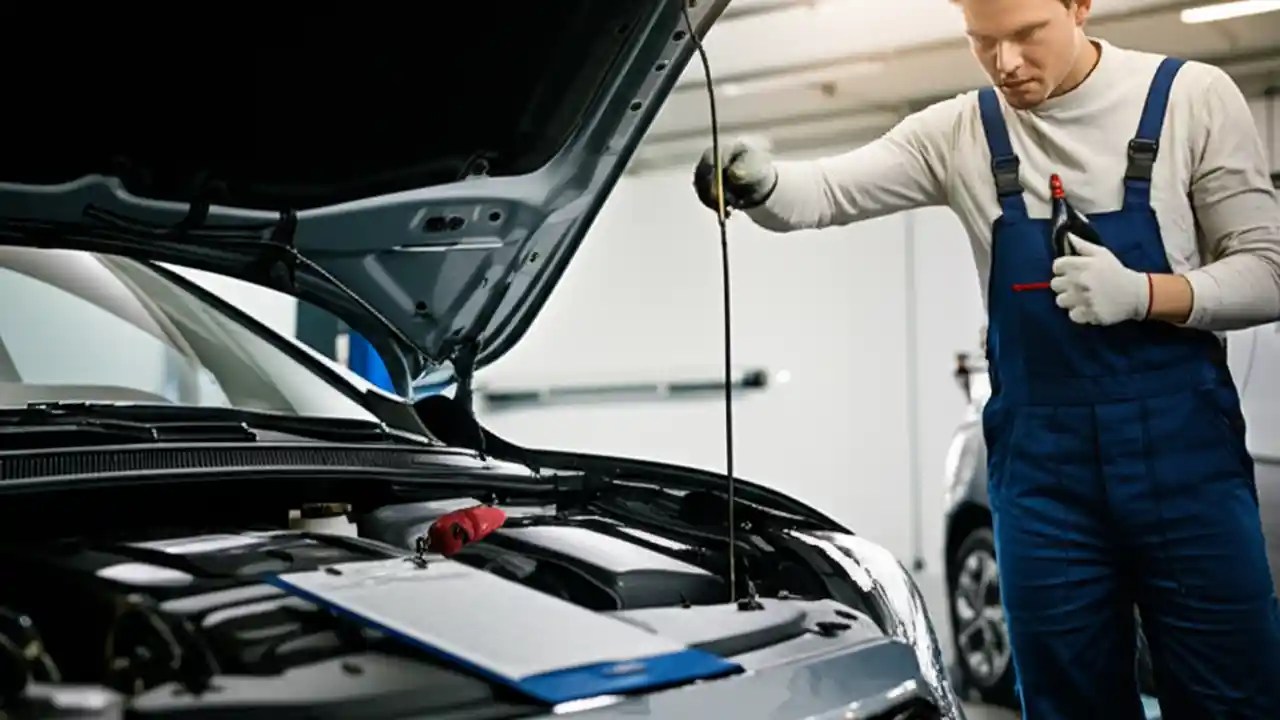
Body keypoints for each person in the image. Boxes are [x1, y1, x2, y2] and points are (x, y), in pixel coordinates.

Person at [691, 0, 1280, 717]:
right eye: (982, 41)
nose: (1006, 63)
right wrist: (764, 183)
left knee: (1232, 695)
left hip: (1186, 463)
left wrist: (1147, 293)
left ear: (1078, 7)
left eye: (1027, 35)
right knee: (1066, 701)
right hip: (1044, 473)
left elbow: (1267, 271)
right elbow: (825, 194)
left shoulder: (1191, 98)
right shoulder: (961, 130)